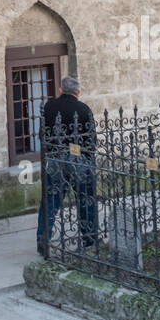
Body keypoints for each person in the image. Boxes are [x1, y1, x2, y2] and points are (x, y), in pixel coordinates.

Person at [36, 75, 97, 255]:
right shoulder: (84, 109)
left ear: (61, 90)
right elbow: (91, 139)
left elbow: (43, 135)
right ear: (78, 92)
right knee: (86, 199)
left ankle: (43, 238)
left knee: (50, 200)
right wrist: (87, 157)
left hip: (56, 159)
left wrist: (52, 153)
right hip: (78, 160)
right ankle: (89, 239)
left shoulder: (49, 107)